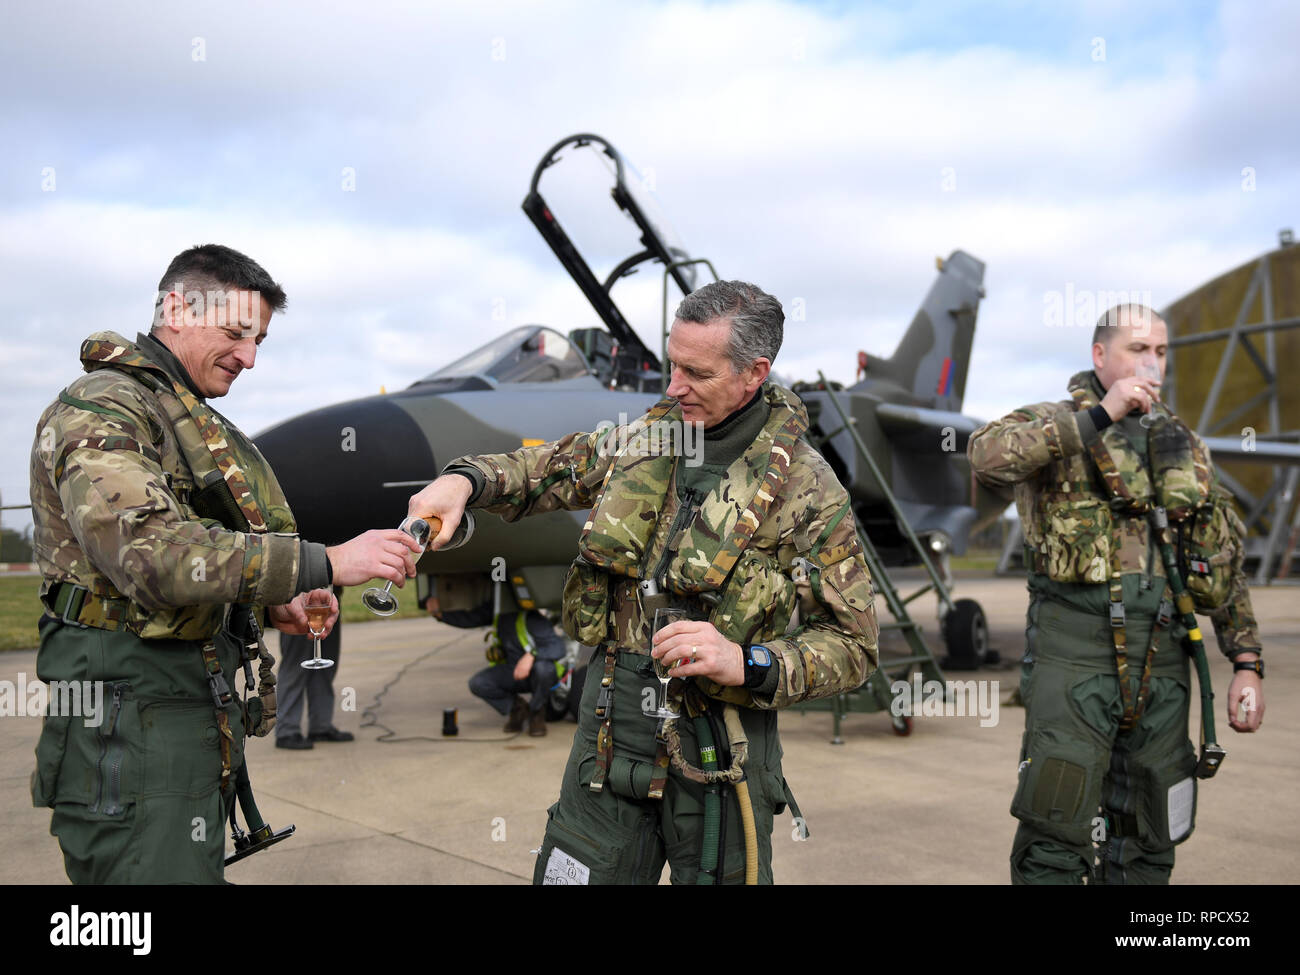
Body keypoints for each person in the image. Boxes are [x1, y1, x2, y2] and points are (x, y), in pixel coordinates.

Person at [408, 280, 877, 884]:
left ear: (753, 372)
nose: (674, 386)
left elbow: (853, 645)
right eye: (672, 363)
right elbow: (547, 468)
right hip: (609, 742)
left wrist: (746, 661)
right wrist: (466, 480)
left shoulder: (809, 491)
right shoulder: (648, 441)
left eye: (696, 372)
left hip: (719, 758)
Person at [28, 244, 421, 883]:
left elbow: (197, 550)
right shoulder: (102, 409)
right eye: (237, 333)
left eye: (260, 340)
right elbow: (150, 555)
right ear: (178, 307)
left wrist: (272, 601)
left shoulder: (192, 424)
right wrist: (324, 563)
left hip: (178, 716)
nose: (250, 357)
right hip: (128, 725)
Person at [967, 303, 1265, 885]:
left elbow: (1221, 561)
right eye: (1137, 349)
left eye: (1160, 352)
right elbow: (985, 457)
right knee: (1057, 828)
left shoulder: (1184, 446)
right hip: (1075, 658)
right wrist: (1100, 417)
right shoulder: (1054, 421)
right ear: (1100, 355)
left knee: (1154, 829)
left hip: (1165, 663)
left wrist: (1247, 662)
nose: (1151, 363)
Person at [465, 609, 568, 736]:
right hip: (513, 672)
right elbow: (469, 618)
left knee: (544, 669)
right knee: (478, 683)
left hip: (536, 675)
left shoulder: (531, 618)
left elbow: (558, 647)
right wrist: (441, 615)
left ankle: (537, 712)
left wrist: (532, 655)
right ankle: (517, 709)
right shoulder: (500, 618)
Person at [276, 585, 354, 749]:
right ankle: (287, 731)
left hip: (329, 596)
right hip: (299, 595)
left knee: (325, 663)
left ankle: (321, 726)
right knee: (295, 665)